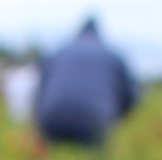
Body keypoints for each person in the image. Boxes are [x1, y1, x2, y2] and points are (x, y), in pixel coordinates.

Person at [33, 18, 138, 149]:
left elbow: (40, 91)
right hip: (94, 120)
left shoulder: (59, 51)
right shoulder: (113, 56)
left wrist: (37, 120)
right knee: (95, 155)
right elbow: (130, 97)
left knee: (49, 153)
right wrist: (114, 118)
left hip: (51, 118)